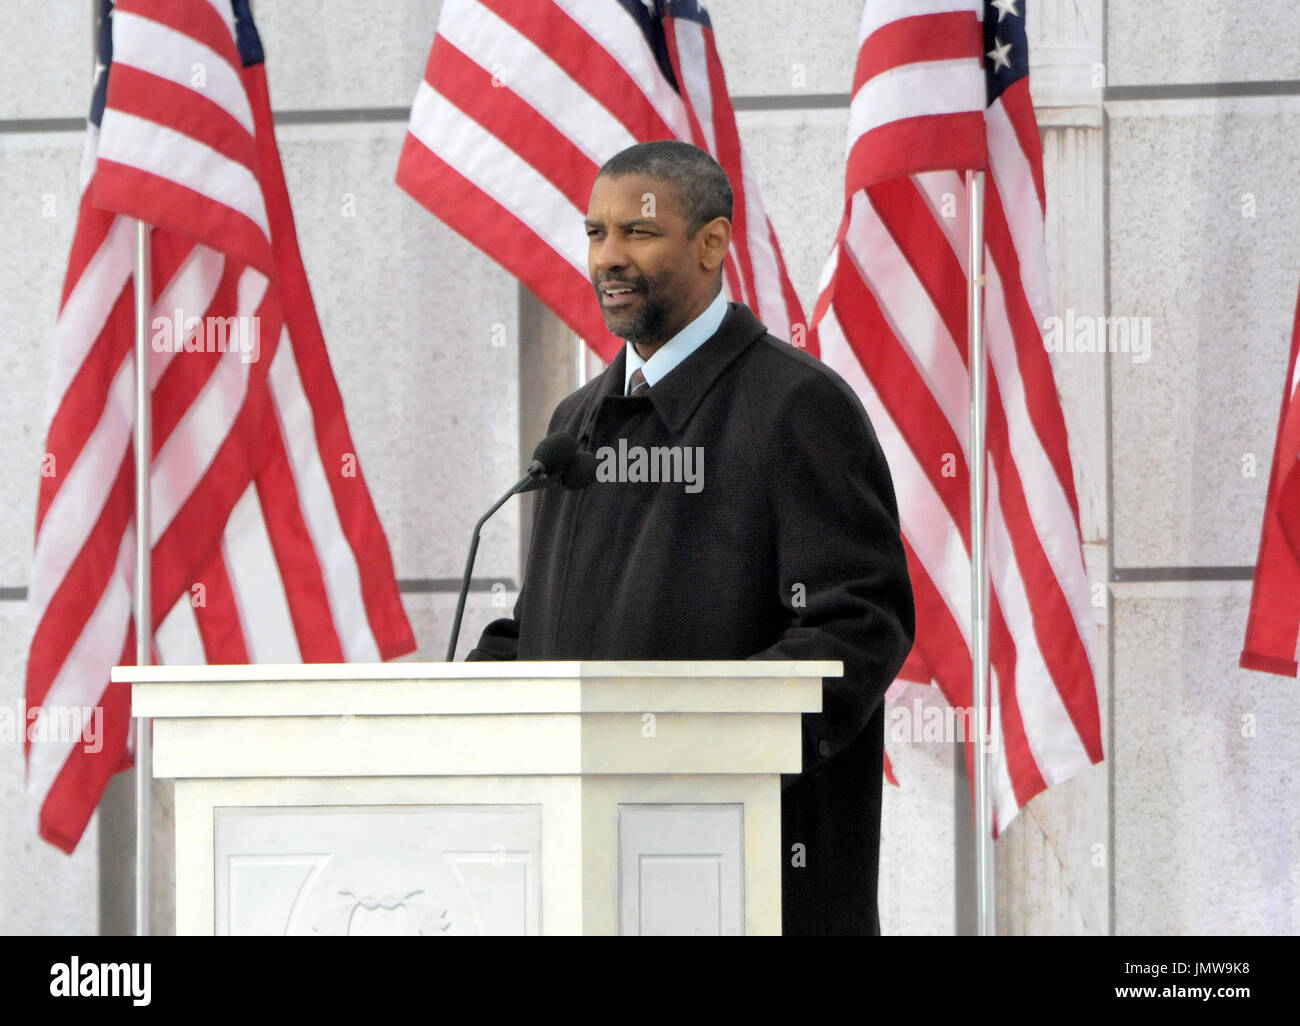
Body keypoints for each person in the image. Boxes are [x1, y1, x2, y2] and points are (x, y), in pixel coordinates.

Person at [468, 140, 915, 935]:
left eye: (636, 234)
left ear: (712, 244)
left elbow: (859, 625)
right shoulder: (577, 423)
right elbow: (548, 631)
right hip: (586, 874)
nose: (609, 257)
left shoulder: (795, 407)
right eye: (595, 233)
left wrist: (693, 744)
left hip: (748, 879)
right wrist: (458, 706)